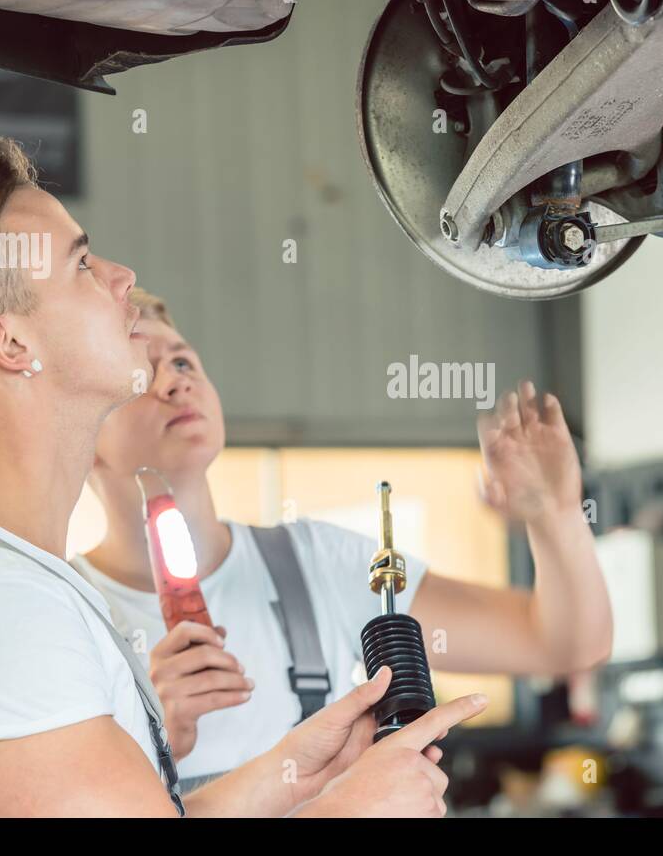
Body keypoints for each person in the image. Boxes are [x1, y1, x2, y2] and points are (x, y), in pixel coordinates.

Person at [0, 137, 484, 817]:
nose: (121, 275)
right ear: (13, 344)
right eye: (81, 263)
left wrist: (294, 774)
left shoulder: (2, 578)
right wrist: (354, 810)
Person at [75, 288, 613, 782]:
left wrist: (555, 514)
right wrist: (154, 740)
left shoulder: (315, 563)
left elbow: (564, 643)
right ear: (77, 430)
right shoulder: (61, 610)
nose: (176, 380)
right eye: (141, 375)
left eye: (183, 359)